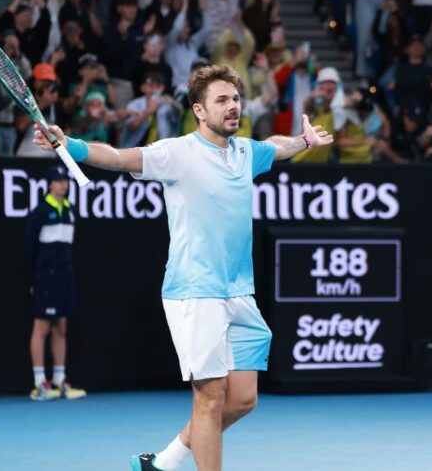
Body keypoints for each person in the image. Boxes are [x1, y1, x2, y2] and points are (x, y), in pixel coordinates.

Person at [30, 64, 333, 471]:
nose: (232, 107)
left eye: (236, 99)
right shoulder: (177, 153)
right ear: (199, 111)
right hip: (195, 292)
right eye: (221, 100)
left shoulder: (245, 152)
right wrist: (74, 146)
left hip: (239, 292)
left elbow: (276, 147)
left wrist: (303, 140)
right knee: (209, 400)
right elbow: (120, 157)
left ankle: (163, 463)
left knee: (243, 399)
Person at [24, 165, 88, 402]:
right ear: (50, 185)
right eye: (59, 181)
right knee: (42, 328)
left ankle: (60, 382)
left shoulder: (70, 210)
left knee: (61, 327)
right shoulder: (40, 211)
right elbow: (29, 248)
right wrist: (32, 278)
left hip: (65, 275)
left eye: (66, 180)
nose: (64, 184)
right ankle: (40, 384)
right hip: (45, 276)